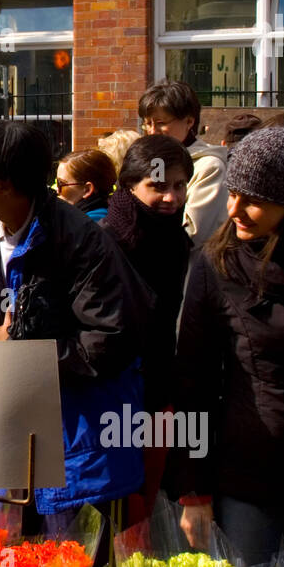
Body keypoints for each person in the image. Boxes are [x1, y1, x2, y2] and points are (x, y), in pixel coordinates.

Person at [0, 121, 150, 532]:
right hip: (8, 453)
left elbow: (110, 342)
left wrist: (23, 356)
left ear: (5, 185)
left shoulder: (82, 242)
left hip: (80, 454)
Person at [169, 127, 284, 564]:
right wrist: (194, 488)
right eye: (232, 192)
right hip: (249, 475)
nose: (234, 209)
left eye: (253, 199)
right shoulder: (217, 264)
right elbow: (193, 379)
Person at [101, 136, 193, 414]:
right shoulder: (106, 242)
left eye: (179, 186)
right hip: (109, 394)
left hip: (161, 390)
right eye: (158, 186)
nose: (171, 198)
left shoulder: (178, 241)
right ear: (130, 184)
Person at [138, 79, 227, 249]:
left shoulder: (209, 167)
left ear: (189, 121)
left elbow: (194, 234)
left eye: (161, 123)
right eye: (148, 123)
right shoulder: (155, 161)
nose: (152, 131)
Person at [55, 148, 117, 221]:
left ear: (87, 189)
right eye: (57, 182)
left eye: (61, 183)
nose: (57, 191)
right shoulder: (109, 213)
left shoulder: (84, 224)